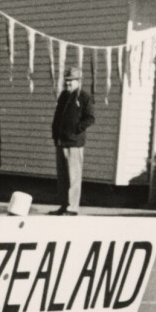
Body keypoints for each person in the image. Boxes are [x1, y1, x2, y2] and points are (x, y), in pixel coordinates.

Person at [52, 65, 95, 215]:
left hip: (74, 144)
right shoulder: (63, 96)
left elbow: (90, 118)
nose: (68, 83)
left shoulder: (84, 97)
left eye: (72, 80)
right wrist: (55, 134)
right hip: (61, 142)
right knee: (63, 177)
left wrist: (76, 129)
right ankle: (64, 205)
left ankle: (72, 207)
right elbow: (58, 116)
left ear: (79, 81)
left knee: (73, 177)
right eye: (67, 80)